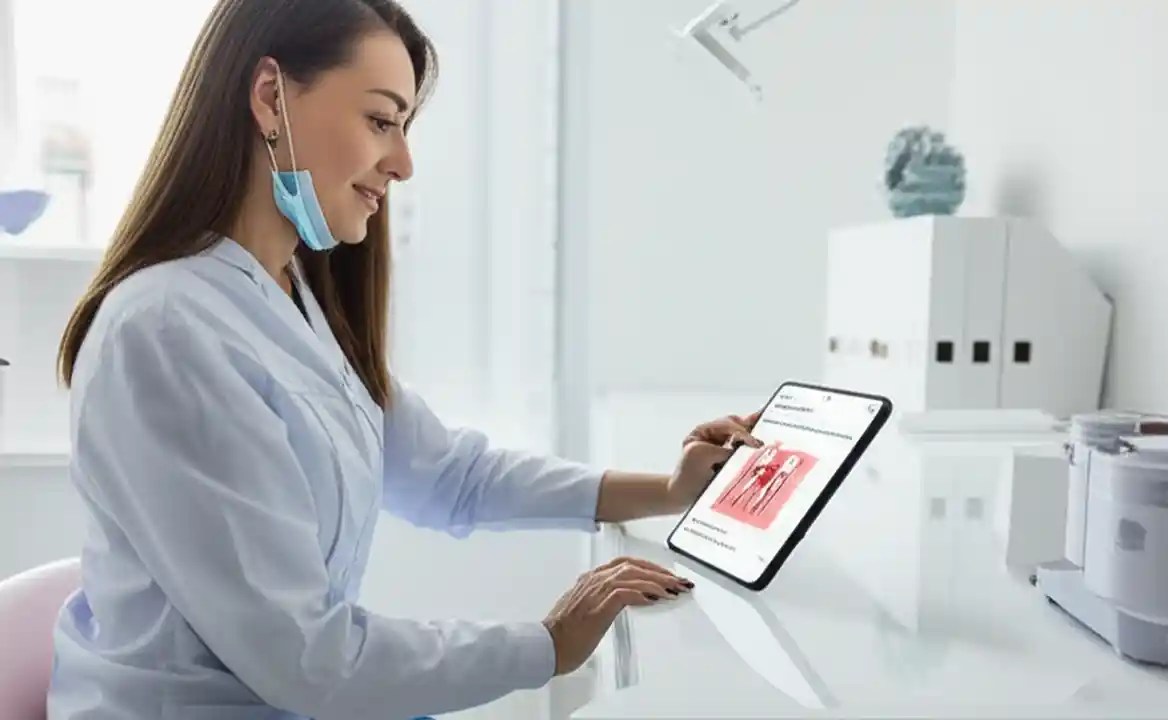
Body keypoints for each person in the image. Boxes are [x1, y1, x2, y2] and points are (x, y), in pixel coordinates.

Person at [44, 2, 762, 718]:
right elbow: (308, 660)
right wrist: (545, 644)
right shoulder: (167, 331)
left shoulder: (292, 299)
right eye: (382, 121)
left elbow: (450, 475)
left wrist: (670, 489)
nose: (405, 163)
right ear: (270, 98)